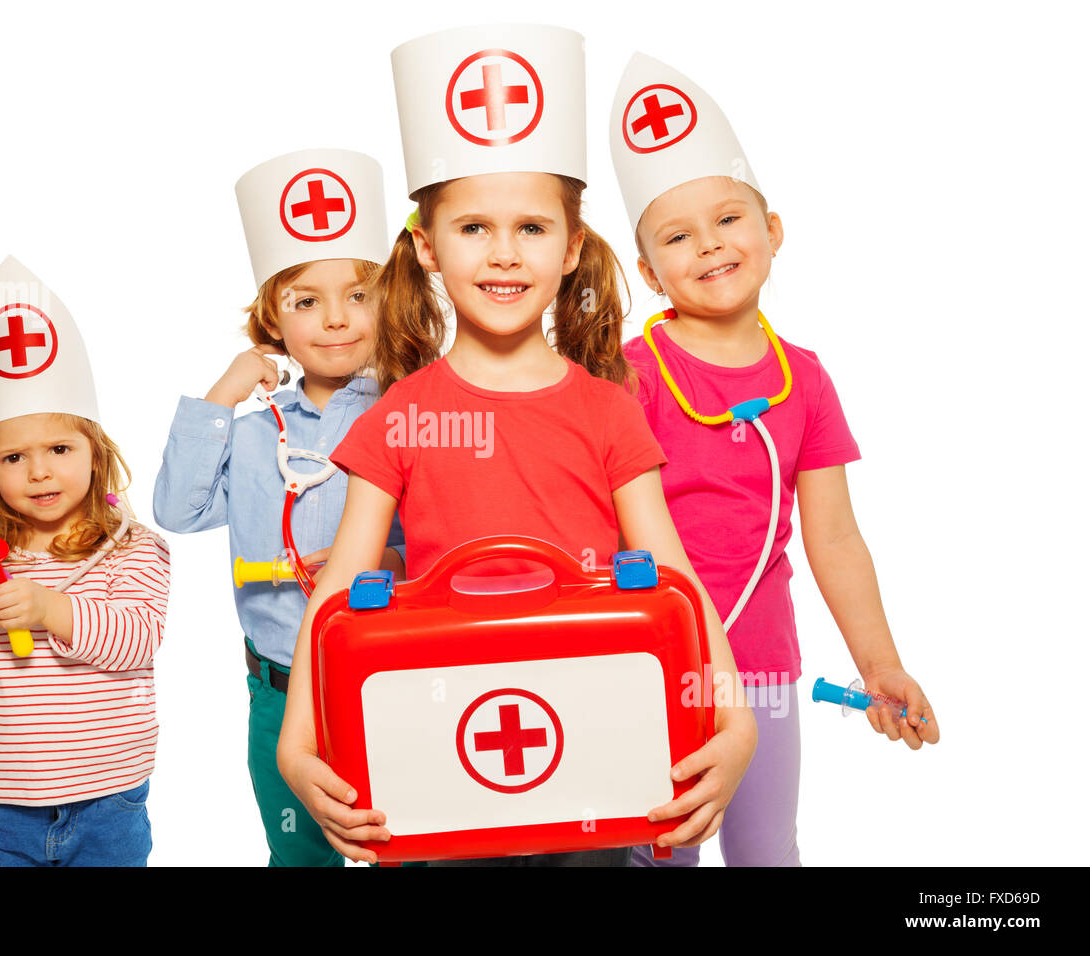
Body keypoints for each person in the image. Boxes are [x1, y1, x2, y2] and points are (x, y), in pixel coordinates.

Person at [277, 24, 758, 866]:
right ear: (428, 248)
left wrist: (736, 716)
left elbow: (673, 574)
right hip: (438, 745)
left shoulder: (608, 411)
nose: (504, 254)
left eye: (532, 228)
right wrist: (297, 739)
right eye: (473, 229)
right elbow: (342, 584)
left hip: (598, 743)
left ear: (572, 248)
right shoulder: (399, 417)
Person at [608, 53, 940, 868]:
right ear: (650, 273)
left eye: (729, 220)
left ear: (773, 231)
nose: (710, 246)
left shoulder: (806, 379)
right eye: (677, 237)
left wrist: (880, 663)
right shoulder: (630, 373)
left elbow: (834, 539)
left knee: (766, 853)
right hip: (649, 668)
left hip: (761, 668)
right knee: (658, 854)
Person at [153, 149, 405, 866]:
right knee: (299, 857)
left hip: (391, 678)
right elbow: (178, 508)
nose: (335, 319)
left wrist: (383, 560)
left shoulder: (409, 413)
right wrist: (220, 397)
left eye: (359, 295)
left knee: (413, 845)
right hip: (277, 690)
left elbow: (443, 537)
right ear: (272, 317)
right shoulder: (254, 427)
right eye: (305, 301)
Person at [0, 256, 170, 867]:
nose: (39, 471)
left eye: (59, 447)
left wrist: (51, 608)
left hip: (107, 804)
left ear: (94, 450)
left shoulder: (132, 547)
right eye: (13, 458)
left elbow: (138, 639)